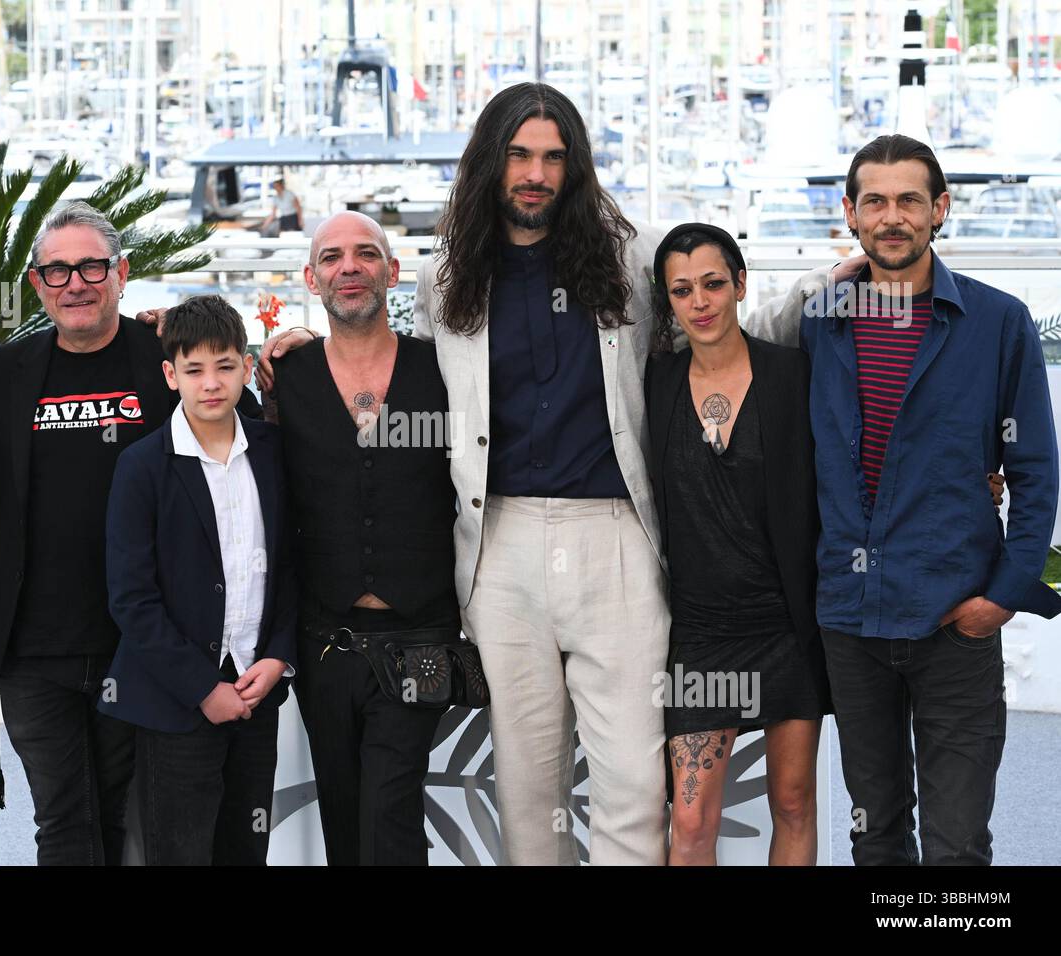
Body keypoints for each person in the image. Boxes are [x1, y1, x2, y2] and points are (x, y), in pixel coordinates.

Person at [254, 83, 822, 865]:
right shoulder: (448, 275)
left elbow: (718, 321)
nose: (536, 173)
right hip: (501, 544)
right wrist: (294, 344)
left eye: (554, 157)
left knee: (628, 777)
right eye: (520, 154)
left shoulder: (630, 257)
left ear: (574, 167)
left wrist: (828, 293)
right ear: (492, 161)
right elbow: (386, 358)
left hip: (615, 535)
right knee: (527, 786)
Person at [746, 134, 1061, 865]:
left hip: (957, 622)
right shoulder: (819, 323)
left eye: (910, 201)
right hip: (851, 625)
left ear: (939, 210)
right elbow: (720, 347)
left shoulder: (998, 323)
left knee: (957, 845)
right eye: (876, 202)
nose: (893, 218)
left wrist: (1005, 595)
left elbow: (1037, 471)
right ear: (850, 215)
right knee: (876, 833)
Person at [0, 200, 260, 865]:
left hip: (143, 645)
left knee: (137, 823)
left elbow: (242, 411)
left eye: (92, 266)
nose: (76, 282)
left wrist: (288, 350)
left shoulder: (165, 362)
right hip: (34, 652)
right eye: (58, 270)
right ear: (38, 283)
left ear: (122, 272)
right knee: (64, 824)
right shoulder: (1, 377)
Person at [274, 211, 460, 865]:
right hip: (325, 646)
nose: (348, 267)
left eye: (364, 254)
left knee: (390, 816)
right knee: (346, 825)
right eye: (330, 257)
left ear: (392, 272)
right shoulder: (284, 378)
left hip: (423, 638)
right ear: (311, 278)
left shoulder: (442, 372)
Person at [645, 223, 831, 866]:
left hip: (787, 625)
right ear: (667, 303)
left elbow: (863, 446)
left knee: (795, 801)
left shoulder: (793, 375)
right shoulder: (652, 384)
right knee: (692, 818)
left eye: (714, 283)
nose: (700, 301)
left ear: (741, 285)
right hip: (700, 633)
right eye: (682, 289)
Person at [100, 295, 296, 866]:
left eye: (225, 366)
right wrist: (202, 689)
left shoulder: (273, 451)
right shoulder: (142, 465)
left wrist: (278, 656)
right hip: (176, 704)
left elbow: (290, 566)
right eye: (194, 369)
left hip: (258, 694)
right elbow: (131, 599)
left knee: (246, 851)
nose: (211, 383)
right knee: (180, 854)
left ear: (245, 364)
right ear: (170, 374)